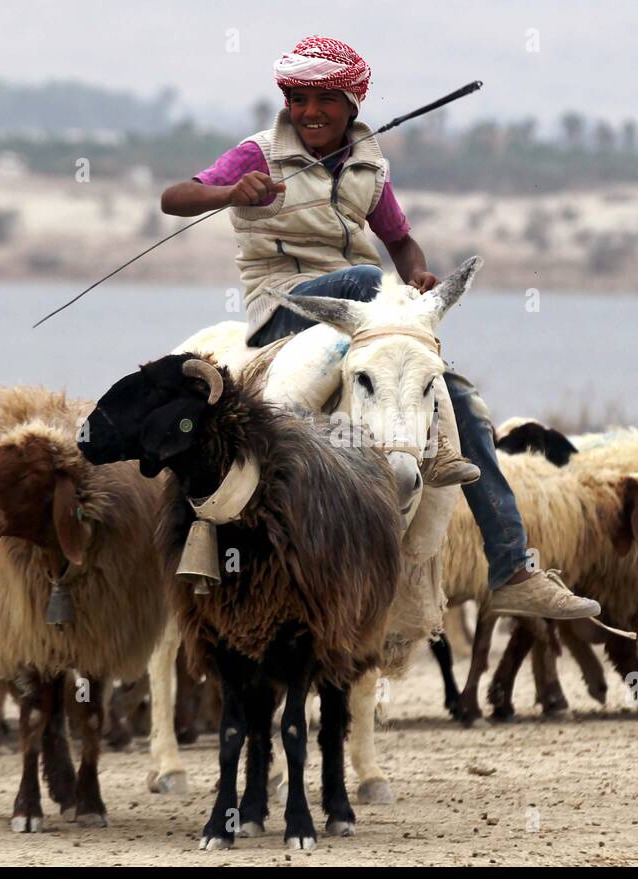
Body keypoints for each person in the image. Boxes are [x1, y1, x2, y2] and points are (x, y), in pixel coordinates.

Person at [159, 36, 599, 621]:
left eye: (324, 100)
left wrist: (416, 273)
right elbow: (174, 197)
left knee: (456, 395)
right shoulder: (257, 154)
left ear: (352, 103)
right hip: (287, 308)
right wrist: (228, 191)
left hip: (360, 317)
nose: (309, 111)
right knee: (367, 276)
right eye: (297, 98)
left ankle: (512, 565)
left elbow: (401, 240)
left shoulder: (370, 167)